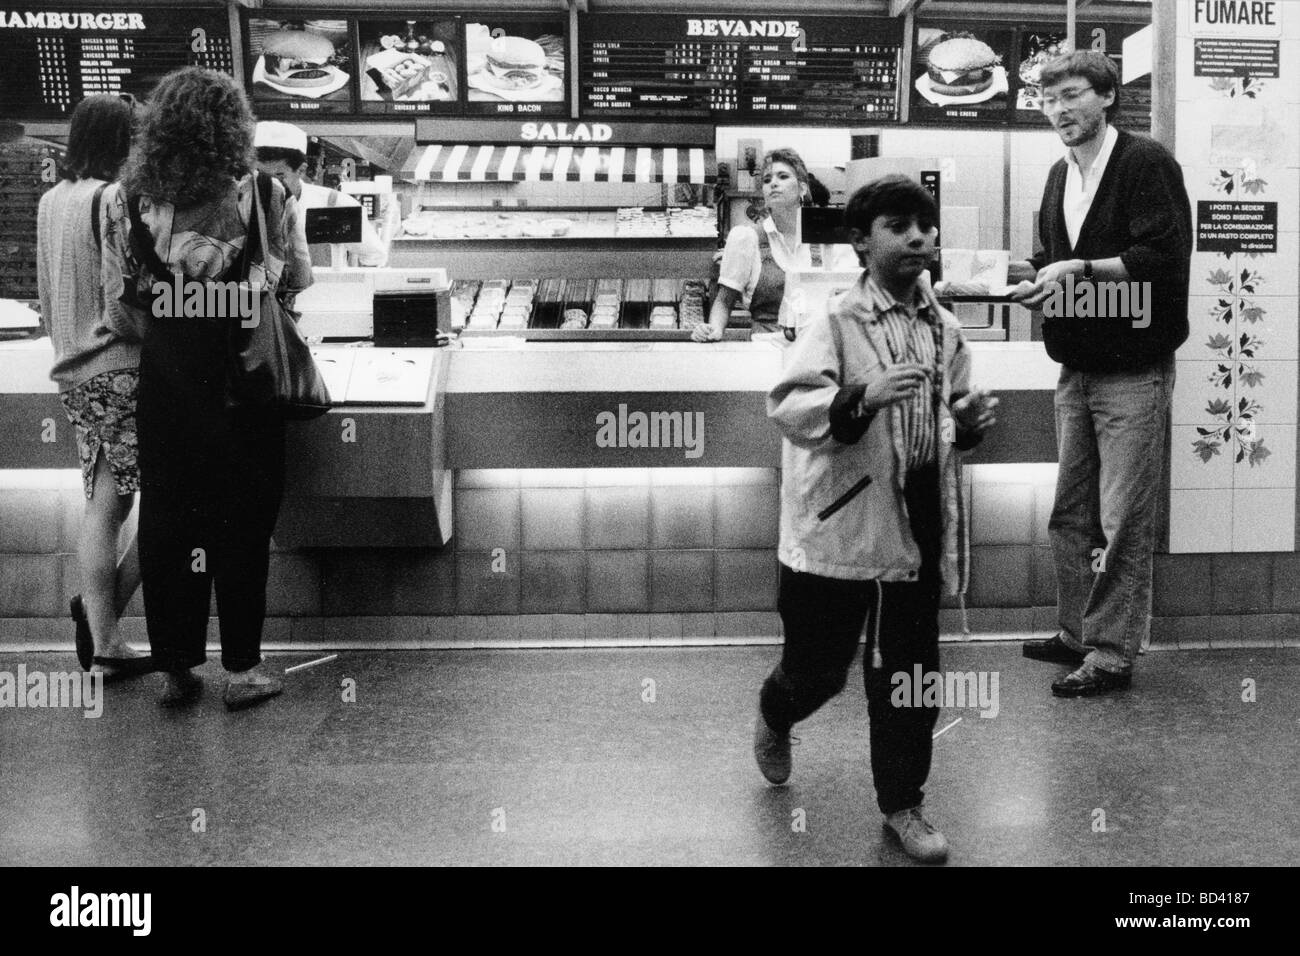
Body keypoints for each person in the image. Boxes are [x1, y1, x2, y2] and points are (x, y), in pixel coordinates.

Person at [759, 175, 998, 863]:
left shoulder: (944, 327)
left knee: (909, 677)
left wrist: (967, 423)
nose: (919, 238)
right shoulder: (833, 322)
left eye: (926, 226)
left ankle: (904, 804)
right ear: (862, 241)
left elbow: (949, 415)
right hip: (838, 529)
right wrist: (862, 394)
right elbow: (791, 404)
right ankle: (777, 712)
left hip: (916, 526)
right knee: (818, 671)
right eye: (900, 226)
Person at [102, 68, 313, 710]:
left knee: (170, 519)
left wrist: (175, 313)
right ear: (234, 127)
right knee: (243, 525)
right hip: (242, 380)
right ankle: (243, 670)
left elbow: (121, 308)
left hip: (168, 383)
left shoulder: (124, 201)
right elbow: (288, 282)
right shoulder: (262, 194)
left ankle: (174, 665)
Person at [1008, 51, 1191, 698]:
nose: (1059, 109)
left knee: (1122, 519)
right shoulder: (1060, 177)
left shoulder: (1145, 163)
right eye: (1049, 98)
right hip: (1076, 370)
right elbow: (1050, 259)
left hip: (1133, 372)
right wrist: (1027, 280)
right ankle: (1075, 632)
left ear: (1107, 96)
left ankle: (1111, 653)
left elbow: (1162, 258)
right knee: (1070, 516)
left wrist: (1079, 273)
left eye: (1073, 94)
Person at [36, 94, 152, 681]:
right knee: (130, 502)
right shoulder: (110, 200)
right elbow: (122, 296)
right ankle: (106, 636)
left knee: (107, 497)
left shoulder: (50, 200)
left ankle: (99, 613)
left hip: (73, 368)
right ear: (120, 141)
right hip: (117, 363)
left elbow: (46, 290)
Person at [693, 148, 850, 342]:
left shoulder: (828, 239)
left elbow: (847, 297)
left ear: (802, 189)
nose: (773, 183)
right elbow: (724, 301)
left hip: (818, 350)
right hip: (765, 353)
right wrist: (713, 330)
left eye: (783, 177)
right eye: (767, 180)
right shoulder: (747, 238)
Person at [254, 120, 388, 267]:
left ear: (301, 170)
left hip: (323, 289)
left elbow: (374, 257)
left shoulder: (334, 205)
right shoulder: (241, 204)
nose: (269, 185)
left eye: (279, 176)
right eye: (259, 175)